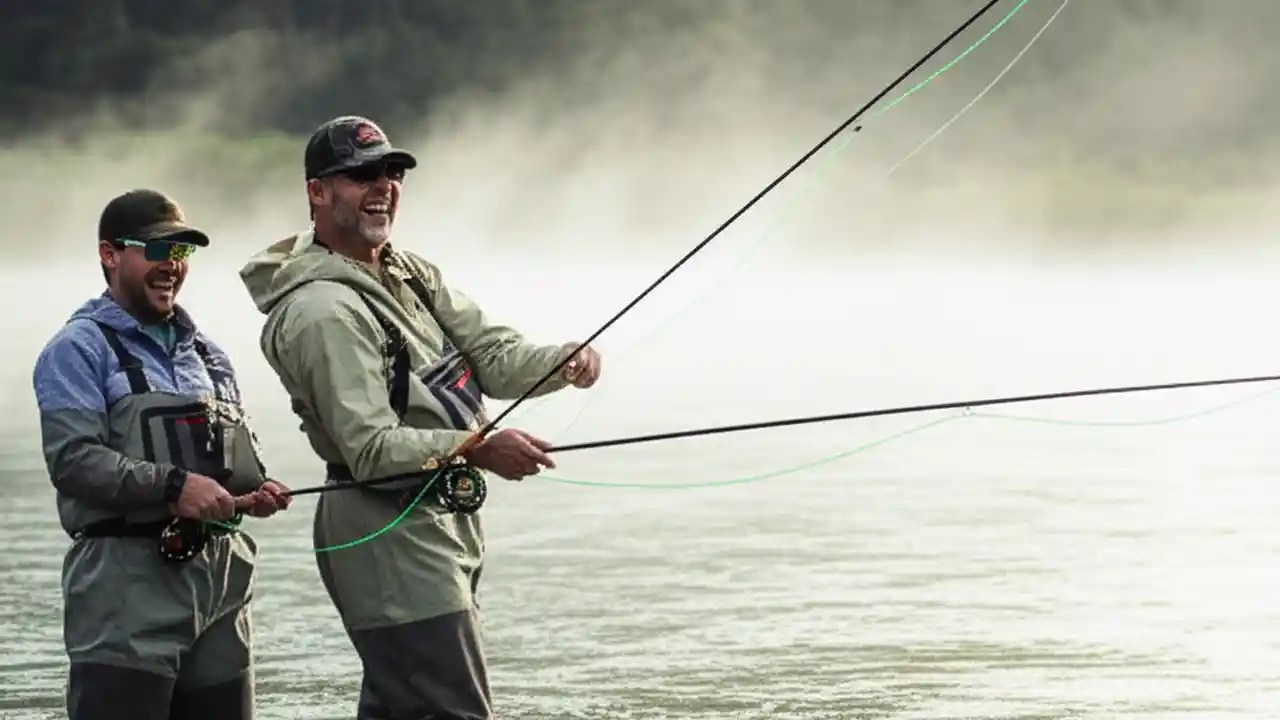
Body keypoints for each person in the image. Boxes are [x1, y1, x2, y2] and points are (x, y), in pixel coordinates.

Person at [238, 115, 601, 719]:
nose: (383, 186)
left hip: (437, 522)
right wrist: (480, 448)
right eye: (361, 175)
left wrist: (561, 362)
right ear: (317, 192)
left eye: (391, 172)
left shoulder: (409, 271)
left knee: (401, 706)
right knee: (452, 709)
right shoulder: (322, 311)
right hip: (385, 532)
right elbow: (371, 449)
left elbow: (491, 354)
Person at [32, 188, 293, 720]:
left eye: (181, 253)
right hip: (123, 590)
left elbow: (230, 460)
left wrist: (252, 492)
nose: (171, 265)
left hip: (221, 592)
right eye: (156, 250)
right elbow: (74, 460)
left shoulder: (210, 354)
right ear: (110, 255)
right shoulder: (77, 349)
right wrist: (176, 488)